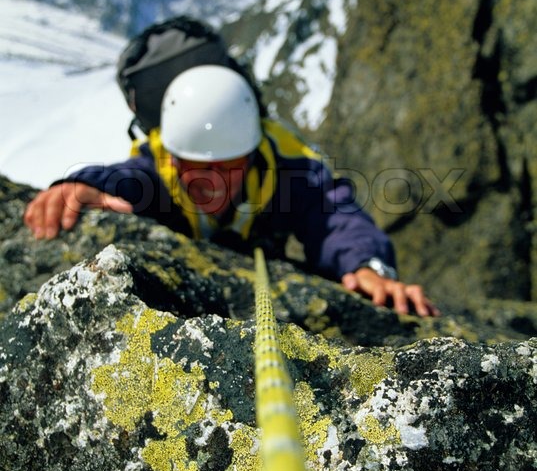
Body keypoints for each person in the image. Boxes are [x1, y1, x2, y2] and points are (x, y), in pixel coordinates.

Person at [24, 65, 439, 317]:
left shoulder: (289, 170)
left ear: (252, 155)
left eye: (228, 167)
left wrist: (368, 265)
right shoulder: (159, 166)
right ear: (174, 158)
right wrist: (83, 184)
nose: (213, 182)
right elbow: (126, 176)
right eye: (197, 167)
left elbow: (334, 215)